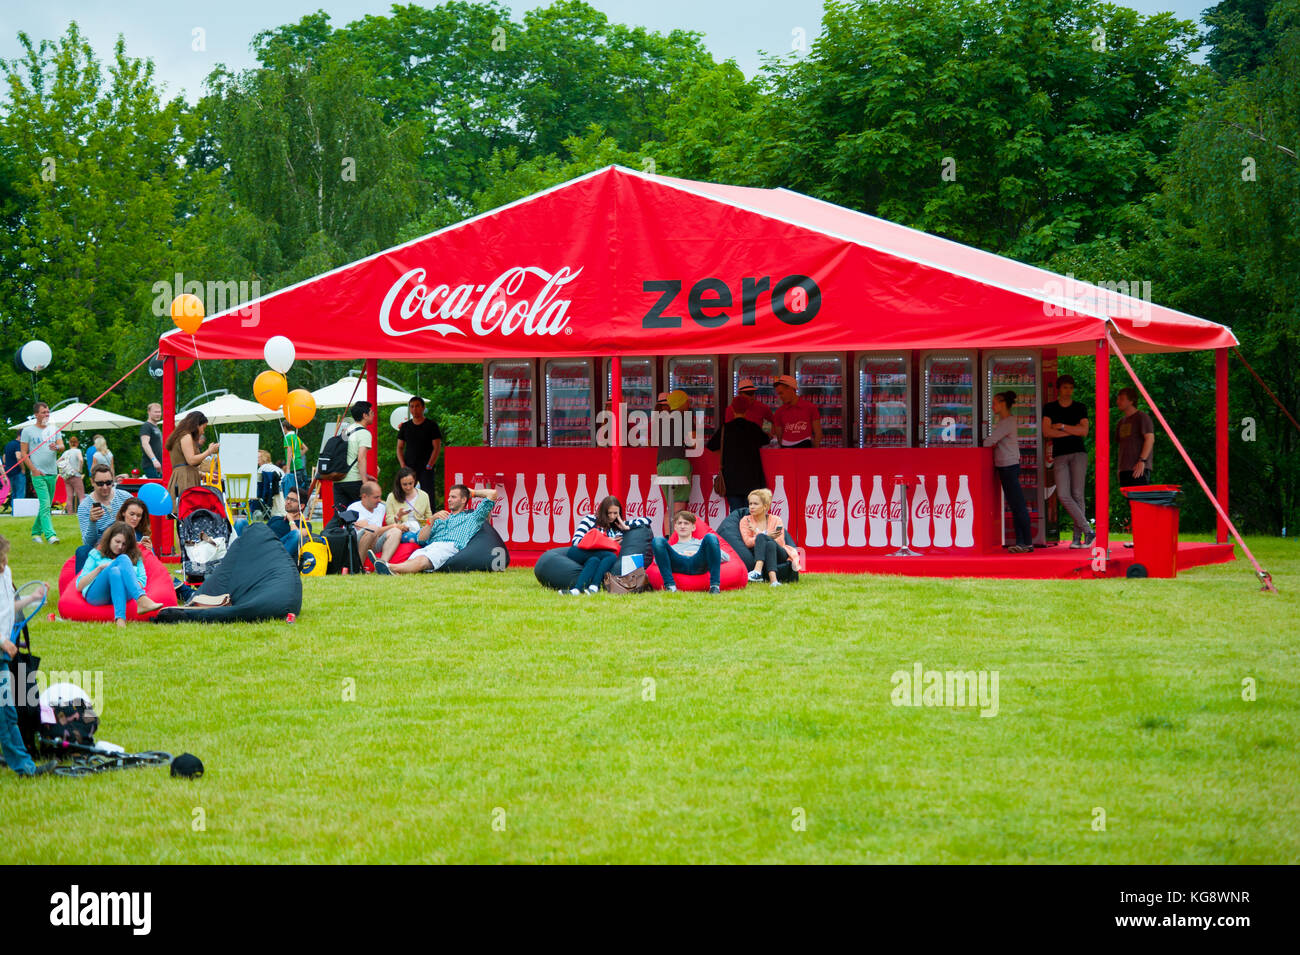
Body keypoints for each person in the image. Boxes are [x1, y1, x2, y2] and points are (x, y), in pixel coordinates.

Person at [0, 535, 56, 776]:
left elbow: (7, 608)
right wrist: (2, 641)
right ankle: (26, 768)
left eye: (4, 558)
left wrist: (32, 599)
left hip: (3, 651)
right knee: (4, 714)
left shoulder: (6, 573)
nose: (3, 565)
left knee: (7, 712)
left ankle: (23, 765)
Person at [372, 484, 499, 575]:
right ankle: (392, 570)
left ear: (464, 500)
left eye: (454, 497)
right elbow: (420, 539)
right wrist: (431, 520)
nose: (449, 499)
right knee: (415, 559)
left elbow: (492, 494)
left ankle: (388, 566)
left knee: (422, 561)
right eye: (449, 496)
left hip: (450, 546)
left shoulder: (472, 517)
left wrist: (472, 493)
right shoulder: (440, 517)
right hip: (432, 545)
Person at [76, 521, 165, 627]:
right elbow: (79, 586)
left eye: (124, 544)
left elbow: (142, 580)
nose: (119, 547)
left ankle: (120, 620)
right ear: (109, 539)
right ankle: (141, 599)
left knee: (116, 572)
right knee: (120, 561)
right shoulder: (96, 554)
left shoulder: (136, 557)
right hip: (97, 594)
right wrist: (100, 569)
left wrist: (127, 580)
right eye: (117, 541)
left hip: (124, 592)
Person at [1042, 375, 1094, 549]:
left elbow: (1085, 431)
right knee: (1064, 495)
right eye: (1065, 387)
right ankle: (1088, 531)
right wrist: (1073, 431)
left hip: (1079, 453)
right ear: (1059, 389)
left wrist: (1063, 427)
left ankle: (1077, 539)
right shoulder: (1050, 408)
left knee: (1078, 494)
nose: (1068, 391)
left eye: (1071, 387)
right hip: (1059, 455)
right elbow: (1047, 432)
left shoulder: (1080, 407)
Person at [561, 495, 651, 595]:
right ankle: (595, 586)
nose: (612, 516)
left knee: (594, 560)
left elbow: (647, 520)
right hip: (581, 552)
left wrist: (625, 526)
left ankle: (576, 590)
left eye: (615, 513)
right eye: (609, 513)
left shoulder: (619, 526)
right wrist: (606, 541)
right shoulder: (590, 519)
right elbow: (576, 541)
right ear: (603, 512)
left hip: (596, 558)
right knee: (610, 555)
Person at [707, 380, 770, 513]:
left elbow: (711, 446)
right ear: (747, 409)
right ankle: (748, 534)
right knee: (751, 514)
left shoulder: (725, 429)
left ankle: (737, 534)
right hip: (752, 479)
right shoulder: (753, 428)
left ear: (733, 409)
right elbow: (766, 440)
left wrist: (726, 453)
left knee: (736, 513)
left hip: (731, 479)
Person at [984, 390, 1034, 553]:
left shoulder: (1007, 422)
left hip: (1008, 466)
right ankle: (1022, 542)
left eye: (995, 403)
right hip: (1007, 465)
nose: (992, 406)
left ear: (1004, 403)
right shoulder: (1006, 421)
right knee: (1015, 504)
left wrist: (985, 442)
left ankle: (1027, 542)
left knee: (1018, 504)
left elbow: (990, 441)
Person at [19, 401, 64, 545]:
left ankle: (36, 532)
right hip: (38, 474)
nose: (47, 414)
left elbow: (62, 446)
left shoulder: (54, 428)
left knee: (46, 505)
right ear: (36, 415)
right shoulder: (28, 431)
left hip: (52, 473)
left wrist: (56, 447)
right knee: (45, 504)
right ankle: (51, 536)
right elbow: (23, 453)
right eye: (44, 412)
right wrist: (34, 470)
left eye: (48, 412)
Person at [651, 510, 726, 594]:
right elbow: (657, 561)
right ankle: (670, 587)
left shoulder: (702, 543)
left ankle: (715, 587)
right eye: (679, 523)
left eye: (686, 523)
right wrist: (681, 554)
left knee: (711, 537)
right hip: (678, 563)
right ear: (675, 527)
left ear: (693, 527)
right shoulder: (672, 548)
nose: (682, 526)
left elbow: (725, 557)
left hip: (699, 562)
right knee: (657, 540)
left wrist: (694, 553)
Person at [75, 464, 132, 571]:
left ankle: (155, 579)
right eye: (100, 484)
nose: (105, 487)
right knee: (82, 550)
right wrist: (92, 522)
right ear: (92, 482)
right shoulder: (85, 506)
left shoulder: (125, 497)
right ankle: (82, 585)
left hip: (125, 542)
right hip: (101, 547)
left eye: (108, 483)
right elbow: (88, 543)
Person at [740, 488, 800, 585]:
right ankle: (774, 581)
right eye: (750, 504)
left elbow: (780, 542)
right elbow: (747, 542)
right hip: (760, 551)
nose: (751, 507)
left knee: (762, 538)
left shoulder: (777, 520)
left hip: (780, 553)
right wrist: (768, 535)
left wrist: (758, 532)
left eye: (755, 504)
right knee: (769, 544)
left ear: (765, 506)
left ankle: (757, 571)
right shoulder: (745, 520)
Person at [655, 390, 694, 520]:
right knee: (679, 507)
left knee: (670, 507)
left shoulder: (662, 418)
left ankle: (668, 538)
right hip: (678, 463)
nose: (689, 403)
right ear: (682, 403)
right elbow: (693, 442)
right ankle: (676, 539)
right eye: (686, 400)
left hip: (661, 465)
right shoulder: (684, 417)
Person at [346, 481, 404, 568]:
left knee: (396, 531)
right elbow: (367, 529)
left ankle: (382, 564)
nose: (379, 500)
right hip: (357, 543)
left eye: (380, 496)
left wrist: (398, 517)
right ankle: (359, 567)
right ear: (364, 496)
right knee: (372, 529)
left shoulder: (381, 507)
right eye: (376, 497)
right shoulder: (354, 508)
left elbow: (391, 520)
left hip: (375, 541)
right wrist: (392, 526)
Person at [396, 396, 444, 499]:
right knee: (406, 494)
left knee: (428, 494)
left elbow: (437, 447)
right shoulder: (405, 426)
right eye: (412, 407)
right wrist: (403, 465)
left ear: (423, 408)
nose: (414, 409)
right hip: (409, 466)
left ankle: (430, 514)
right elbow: (399, 447)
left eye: (417, 406)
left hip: (426, 466)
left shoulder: (431, 425)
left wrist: (430, 464)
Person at [165, 411, 218, 501]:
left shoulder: (180, 435)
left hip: (183, 476)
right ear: (197, 425)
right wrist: (209, 451)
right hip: (185, 480)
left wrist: (204, 474)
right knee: (187, 509)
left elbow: (186, 465)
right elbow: (191, 460)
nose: (203, 431)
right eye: (203, 427)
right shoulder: (186, 436)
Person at [333, 401, 375, 512]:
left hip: (339, 480)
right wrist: (365, 483)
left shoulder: (346, 430)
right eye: (371, 412)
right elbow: (361, 458)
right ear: (365, 415)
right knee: (362, 513)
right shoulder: (364, 433)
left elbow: (347, 456)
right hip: (354, 481)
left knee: (340, 517)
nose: (373, 414)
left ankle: (328, 530)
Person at [1114, 387, 1155, 487]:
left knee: (1139, 500)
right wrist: (1120, 469)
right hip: (1125, 469)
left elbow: (1150, 439)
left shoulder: (1142, 417)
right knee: (1129, 501)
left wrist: (1142, 461)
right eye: (1118, 399)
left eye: (1122, 399)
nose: (1118, 402)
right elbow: (1122, 447)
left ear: (1131, 401)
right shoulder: (1121, 422)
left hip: (1139, 468)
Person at [385, 467, 435, 544]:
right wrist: (398, 516)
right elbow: (388, 521)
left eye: (410, 483)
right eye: (405, 484)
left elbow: (429, 517)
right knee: (411, 539)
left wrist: (427, 527)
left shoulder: (424, 495)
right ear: (399, 484)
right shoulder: (392, 497)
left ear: (414, 481)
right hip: (402, 529)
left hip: (420, 528)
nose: (408, 487)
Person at [772, 374, 822, 448]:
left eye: (781, 393)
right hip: (787, 450)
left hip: (805, 449)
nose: (780, 397)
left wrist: (814, 452)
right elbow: (779, 437)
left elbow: (818, 433)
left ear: (790, 389)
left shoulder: (810, 407)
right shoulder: (779, 412)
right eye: (778, 394)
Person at [57, 434, 86, 516]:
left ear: (69, 443)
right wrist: (80, 469)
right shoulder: (78, 451)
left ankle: (69, 514)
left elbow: (58, 461)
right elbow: (80, 460)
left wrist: (63, 470)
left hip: (67, 477)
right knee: (81, 496)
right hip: (76, 476)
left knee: (69, 497)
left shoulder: (66, 453)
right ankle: (83, 514)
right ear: (77, 443)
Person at [281, 421, 310, 497]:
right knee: (301, 489)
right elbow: (305, 448)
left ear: (284, 427)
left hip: (293, 467)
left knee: (294, 490)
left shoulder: (287, 437)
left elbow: (289, 452)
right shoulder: (295, 436)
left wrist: (287, 468)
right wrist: (297, 456)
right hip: (299, 464)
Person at [139, 403, 164, 479]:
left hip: (159, 465)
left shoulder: (156, 427)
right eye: (155, 412)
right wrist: (154, 460)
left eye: (159, 412)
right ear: (149, 412)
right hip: (151, 465)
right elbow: (145, 443)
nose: (158, 414)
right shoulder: (146, 426)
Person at [2, 439, 25, 512]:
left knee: (14, 493)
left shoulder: (8, 444)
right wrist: (23, 468)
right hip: (18, 471)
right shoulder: (18, 444)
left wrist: (8, 465)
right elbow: (18, 456)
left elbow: (4, 457)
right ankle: (20, 511)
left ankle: (14, 511)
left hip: (10, 471)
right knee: (20, 492)